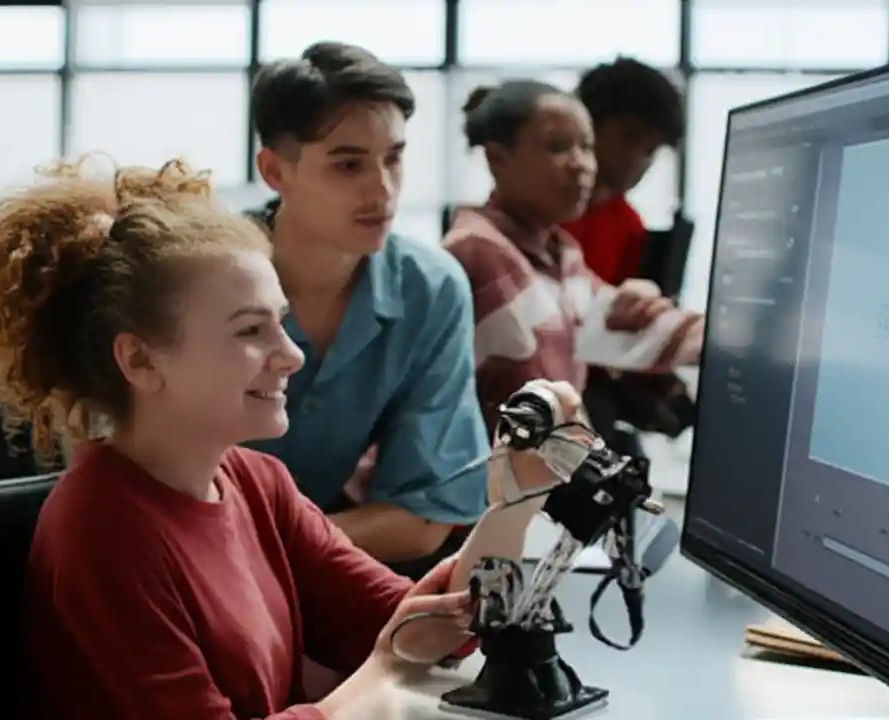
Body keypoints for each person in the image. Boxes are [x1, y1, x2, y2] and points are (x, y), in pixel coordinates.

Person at [0, 156, 585, 719]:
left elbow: (427, 627)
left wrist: (514, 501)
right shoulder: (103, 531)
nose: (292, 355)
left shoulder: (257, 483)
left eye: (281, 323)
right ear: (139, 360)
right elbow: (396, 653)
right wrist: (383, 673)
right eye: (251, 332)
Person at [243, 41, 489, 574]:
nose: (383, 190)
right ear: (275, 171)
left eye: (394, 158)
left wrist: (265, 549)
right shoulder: (200, 278)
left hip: (301, 567)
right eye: (349, 164)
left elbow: (425, 514)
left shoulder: (429, 289)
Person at [443, 81, 704, 435]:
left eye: (586, 147)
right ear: (498, 159)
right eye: (557, 147)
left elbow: (606, 319)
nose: (581, 164)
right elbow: (539, 410)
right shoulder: (477, 251)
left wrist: (634, 307)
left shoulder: (561, 252)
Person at [560, 57, 685, 286]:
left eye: (652, 149)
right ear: (588, 126)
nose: (639, 159)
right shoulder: (537, 211)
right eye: (630, 137)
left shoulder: (629, 225)